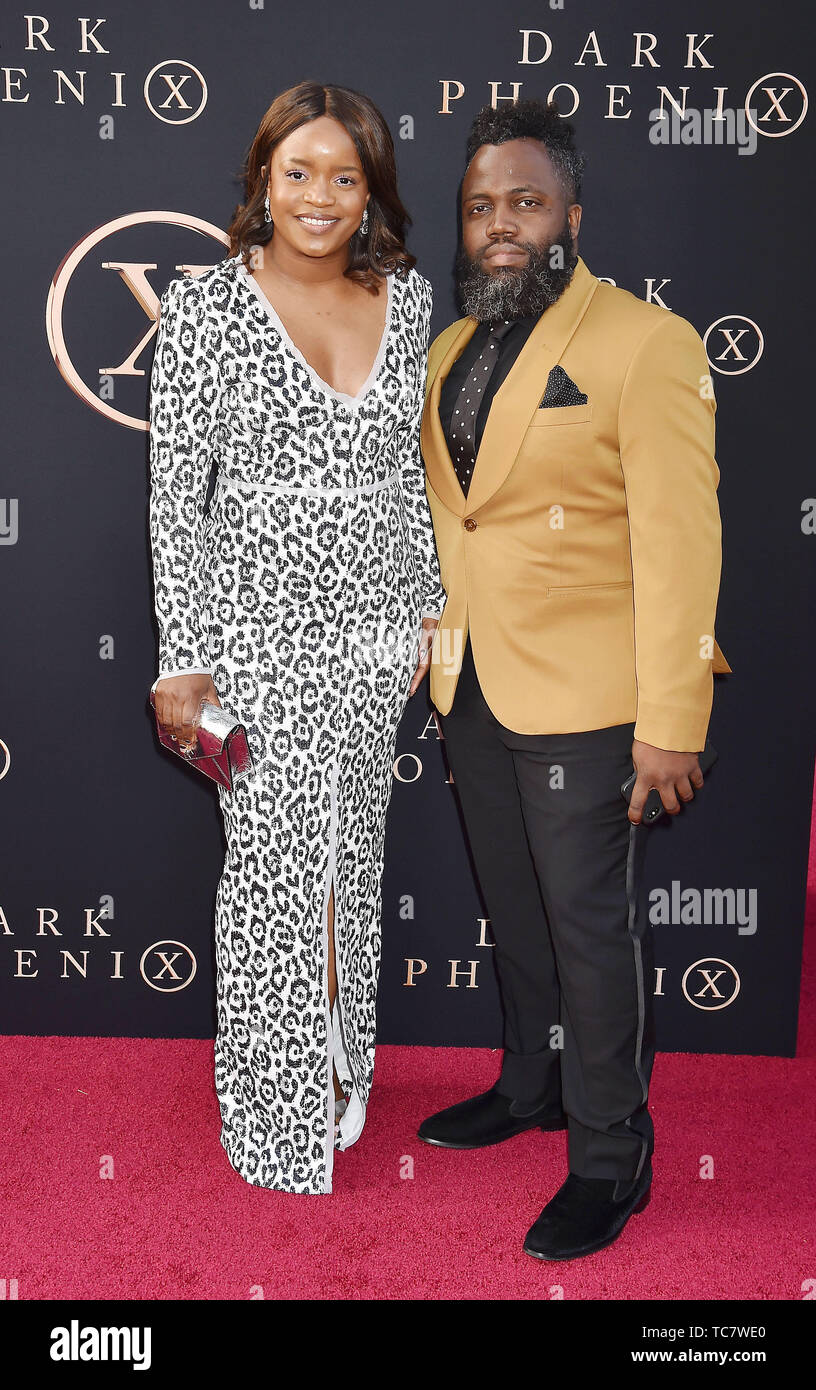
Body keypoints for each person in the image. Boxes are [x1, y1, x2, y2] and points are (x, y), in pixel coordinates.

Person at [417, 98, 731, 1259]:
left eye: (526, 203)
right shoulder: (454, 346)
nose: (501, 224)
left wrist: (673, 718)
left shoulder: (648, 343)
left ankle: (611, 1154)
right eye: (481, 206)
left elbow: (681, 544)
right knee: (519, 919)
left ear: (571, 216)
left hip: (598, 701)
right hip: (476, 687)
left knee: (592, 934)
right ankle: (531, 1085)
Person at [148, 80, 444, 1195]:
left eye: (345, 177)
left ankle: (340, 1053)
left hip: (377, 630)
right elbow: (177, 496)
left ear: (371, 193)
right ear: (261, 179)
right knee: (272, 869)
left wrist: (425, 607)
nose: (319, 197)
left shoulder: (407, 301)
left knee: (349, 853)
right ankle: (275, 1104)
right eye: (298, 172)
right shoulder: (208, 309)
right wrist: (184, 655)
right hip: (255, 631)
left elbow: (412, 474)